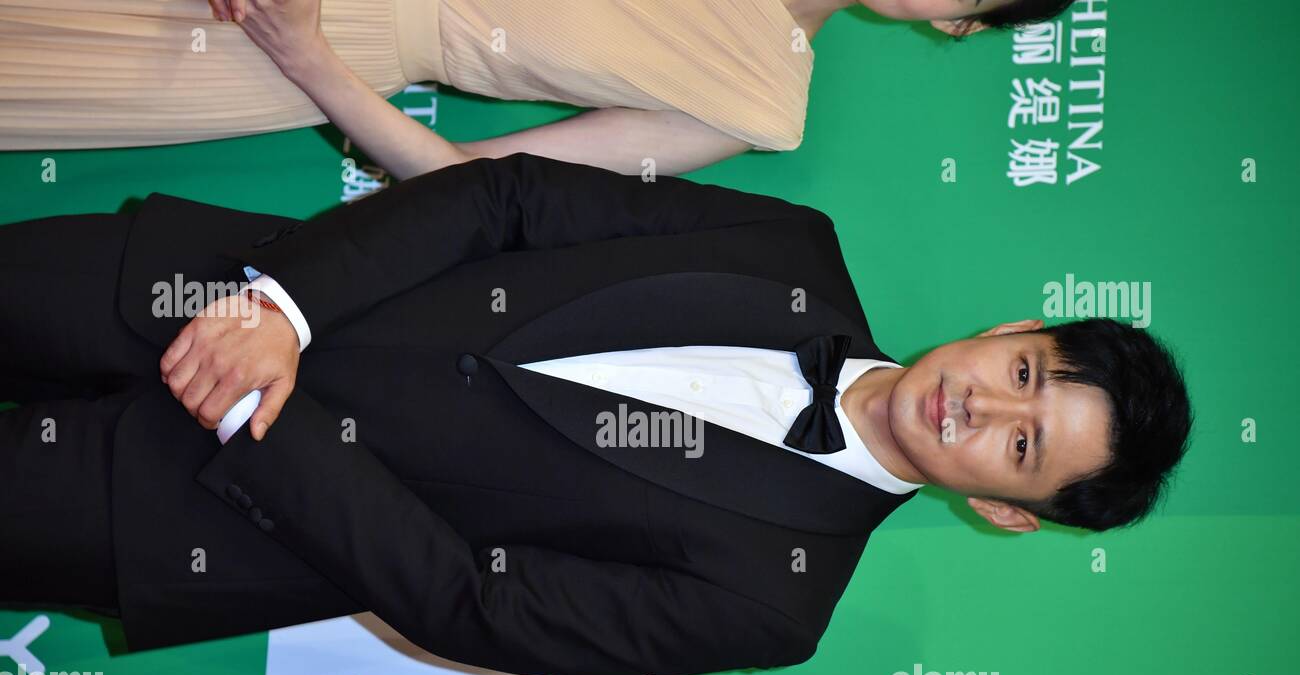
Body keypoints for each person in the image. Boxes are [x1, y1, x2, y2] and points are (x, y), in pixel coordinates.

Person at [0, 153, 1192, 675]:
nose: (982, 402)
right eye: (1026, 370)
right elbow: (511, 201)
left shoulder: (776, 600)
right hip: (211, 289)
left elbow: (478, 605)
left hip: (200, 512)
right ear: (1006, 329)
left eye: (1020, 446)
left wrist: (274, 415)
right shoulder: (792, 247)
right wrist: (288, 312)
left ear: (1000, 507)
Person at [0, 0, 1076, 174]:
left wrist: (302, 52)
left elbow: (463, 180)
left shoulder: (759, 107)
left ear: (952, 22)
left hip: (282, 37)